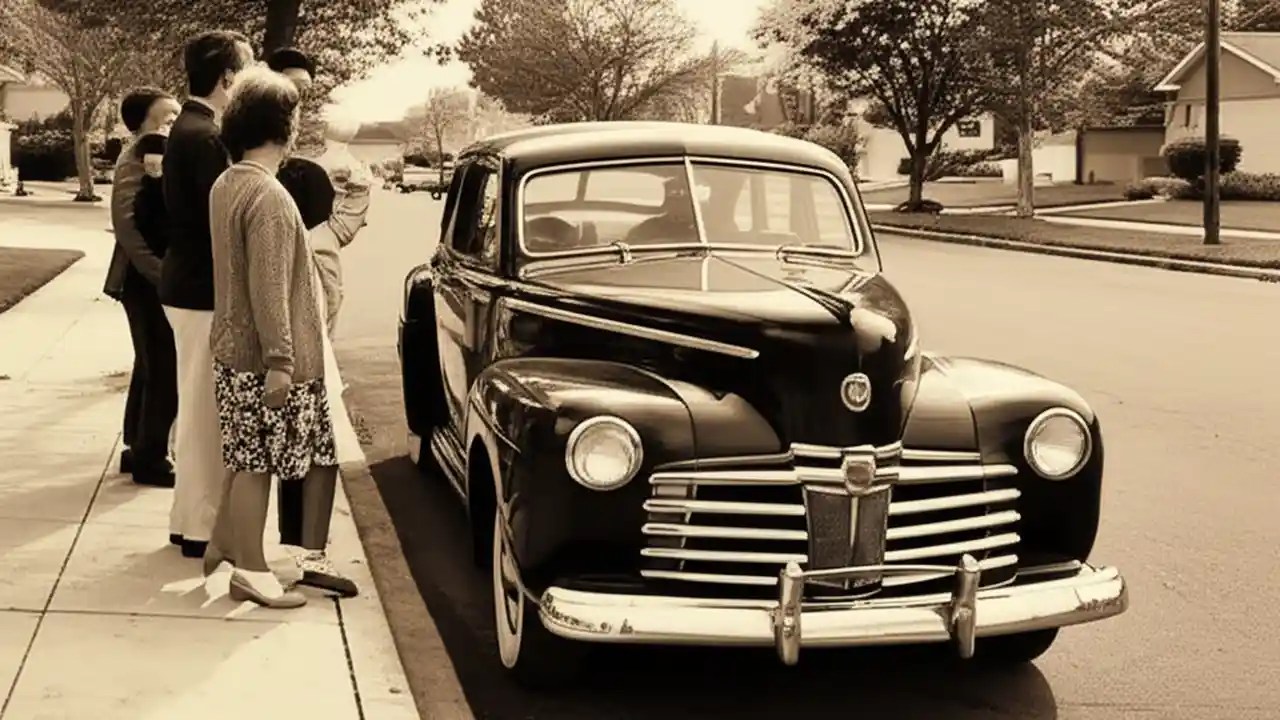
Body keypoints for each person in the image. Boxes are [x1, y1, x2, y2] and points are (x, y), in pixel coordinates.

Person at [204, 67, 340, 608]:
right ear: (285, 125)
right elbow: (270, 287)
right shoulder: (272, 198)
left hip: (232, 349)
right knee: (257, 463)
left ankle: (223, 545)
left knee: (243, 457)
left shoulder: (227, 183)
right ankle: (252, 570)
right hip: (265, 359)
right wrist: (281, 362)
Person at [160, 30, 255, 558]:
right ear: (227, 78)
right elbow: (222, 222)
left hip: (189, 284)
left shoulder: (190, 128)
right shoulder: (205, 137)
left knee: (197, 406)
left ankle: (188, 521)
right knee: (205, 414)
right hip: (201, 290)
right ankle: (200, 526)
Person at [273, 157, 363, 598]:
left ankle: (289, 542)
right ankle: (313, 553)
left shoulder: (282, 237)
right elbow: (326, 304)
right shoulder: (318, 243)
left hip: (287, 357)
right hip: (310, 360)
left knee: (285, 457)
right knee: (323, 455)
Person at [102, 87, 182, 489]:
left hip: (151, 276)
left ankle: (138, 447)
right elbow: (127, 227)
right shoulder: (137, 156)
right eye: (168, 119)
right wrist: (160, 273)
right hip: (143, 279)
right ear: (143, 125)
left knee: (149, 365)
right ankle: (152, 458)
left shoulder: (160, 153)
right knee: (163, 366)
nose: (175, 125)